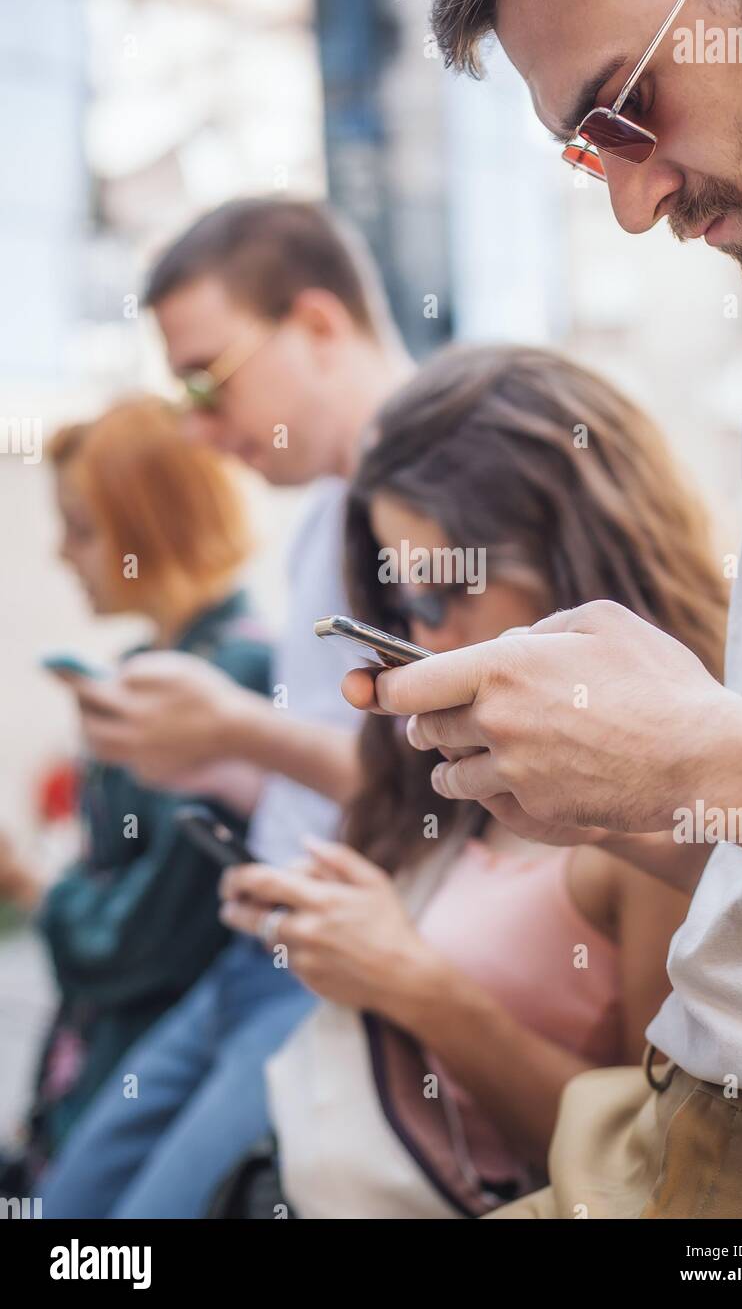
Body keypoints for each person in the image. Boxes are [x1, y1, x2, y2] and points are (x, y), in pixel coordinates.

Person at [343, 0, 742, 1218]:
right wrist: (629, 795)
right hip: (672, 1139)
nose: (632, 204)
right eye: (590, 151)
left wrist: (696, 753)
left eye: (626, 107)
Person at [216, 342, 724, 1218]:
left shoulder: (665, 813)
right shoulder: (468, 759)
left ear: (572, 563)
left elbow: (646, 1168)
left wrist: (409, 981)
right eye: (398, 608)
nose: (424, 639)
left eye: (439, 597)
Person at [36, 197, 412, 1219]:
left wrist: (231, 732)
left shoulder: (438, 497)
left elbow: (456, 791)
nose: (200, 427)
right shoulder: (326, 517)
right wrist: (220, 758)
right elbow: (344, 771)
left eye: (208, 380)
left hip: (325, 969)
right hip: (262, 949)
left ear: (318, 324)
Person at [0, 397, 270, 1185]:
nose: (62, 554)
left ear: (152, 525)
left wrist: (35, 888)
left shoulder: (231, 677)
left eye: (83, 529)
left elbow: (152, 933)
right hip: (102, 1058)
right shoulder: (146, 666)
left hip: (161, 1066)